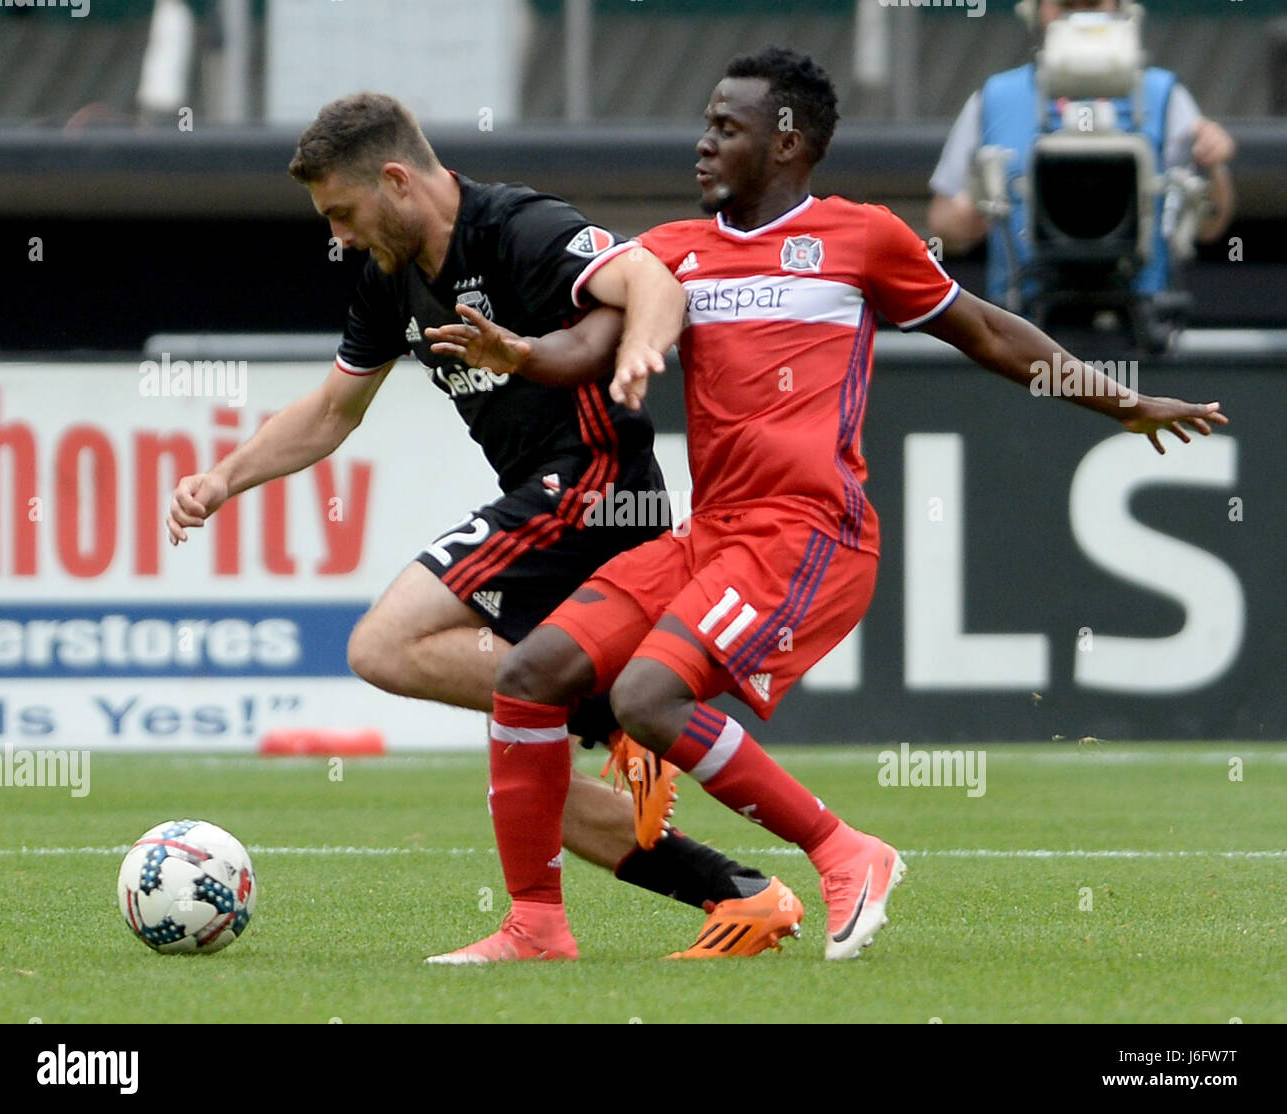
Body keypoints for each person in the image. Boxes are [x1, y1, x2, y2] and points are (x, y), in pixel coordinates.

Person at [423, 46, 1227, 964]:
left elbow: (991, 332)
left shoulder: (863, 238)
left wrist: (1121, 401)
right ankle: (535, 926)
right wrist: (520, 355)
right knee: (528, 678)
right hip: (711, 537)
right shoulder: (672, 255)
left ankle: (847, 852)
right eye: (706, 124)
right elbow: (587, 347)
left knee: (647, 697)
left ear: (787, 141)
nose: (703, 144)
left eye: (726, 128)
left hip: (809, 532)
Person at [163, 92, 802, 958]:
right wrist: (223, 479)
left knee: (383, 646)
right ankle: (740, 893)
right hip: (552, 499)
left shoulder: (519, 228)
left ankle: (613, 717)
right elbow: (330, 411)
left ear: (395, 180)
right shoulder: (390, 280)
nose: (339, 235)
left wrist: (644, 351)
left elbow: (651, 277)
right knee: (523, 757)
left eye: (342, 213)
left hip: (597, 489)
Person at [928, 0, 1236, 312]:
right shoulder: (996, 98)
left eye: (1092, 4)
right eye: (1065, 6)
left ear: (1119, 7)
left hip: (1137, 320)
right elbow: (943, 221)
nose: (1079, 16)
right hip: (1025, 324)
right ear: (1036, 10)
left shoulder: (1162, 94)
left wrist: (1214, 167)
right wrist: (979, 206)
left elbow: (1209, 227)